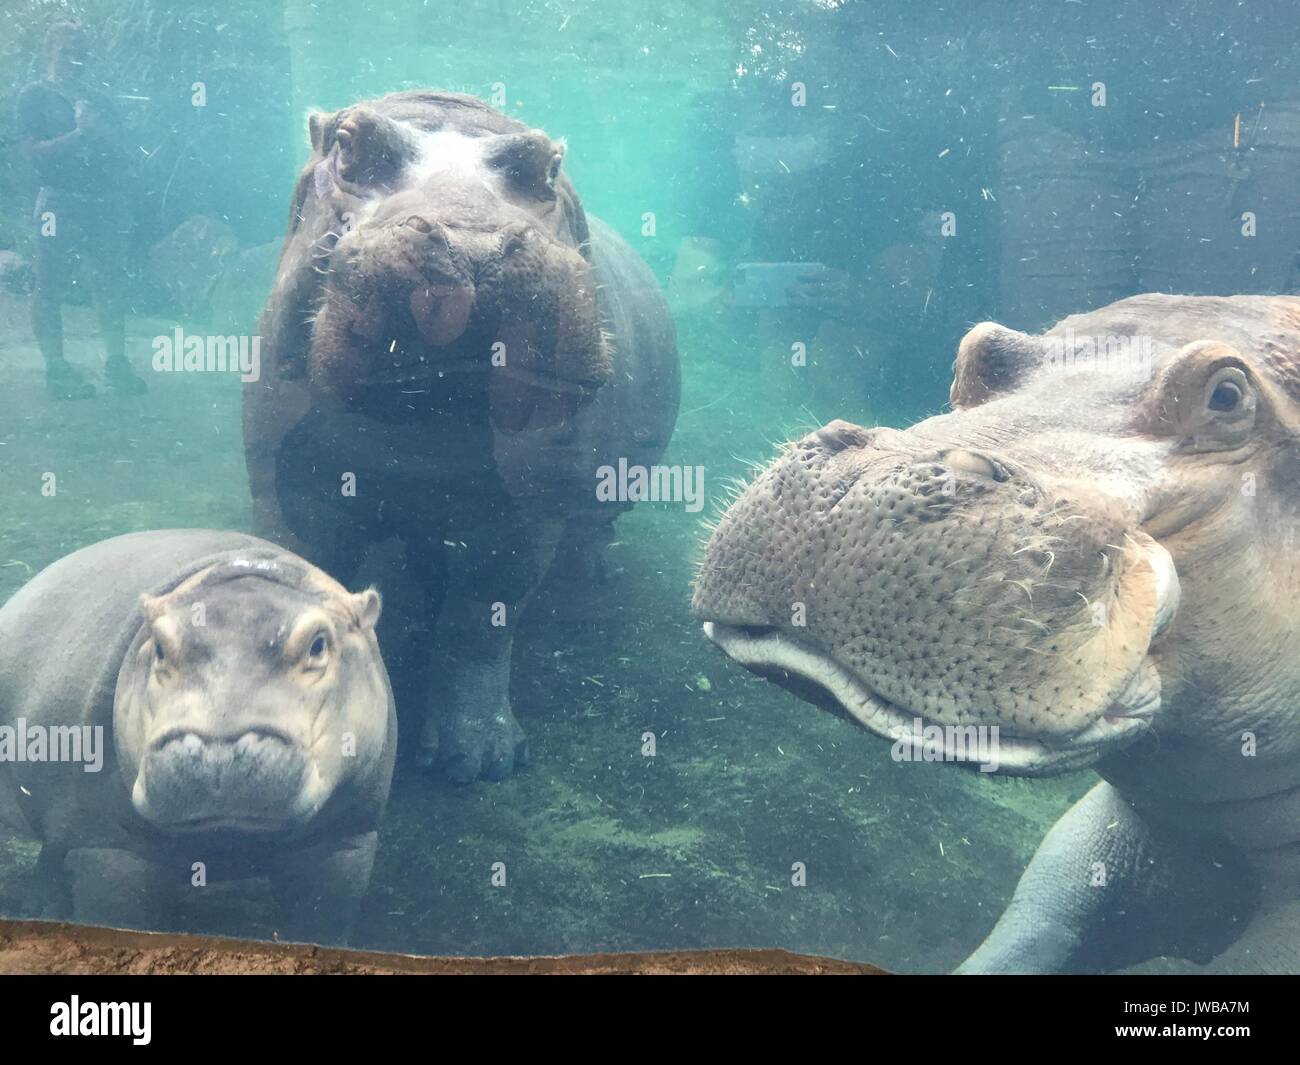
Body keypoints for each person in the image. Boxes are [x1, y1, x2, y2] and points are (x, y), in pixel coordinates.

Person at [15, 21, 147, 399]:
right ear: (49, 52)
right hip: (57, 199)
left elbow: (125, 153)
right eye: (66, 52)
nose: (74, 60)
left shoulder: (98, 100)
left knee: (110, 281)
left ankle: (117, 361)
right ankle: (56, 369)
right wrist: (78, 136)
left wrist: (98, 130)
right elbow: (31, 153)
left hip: (105, 201)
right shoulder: (34, 96)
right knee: (49, 279)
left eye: (80, 53)